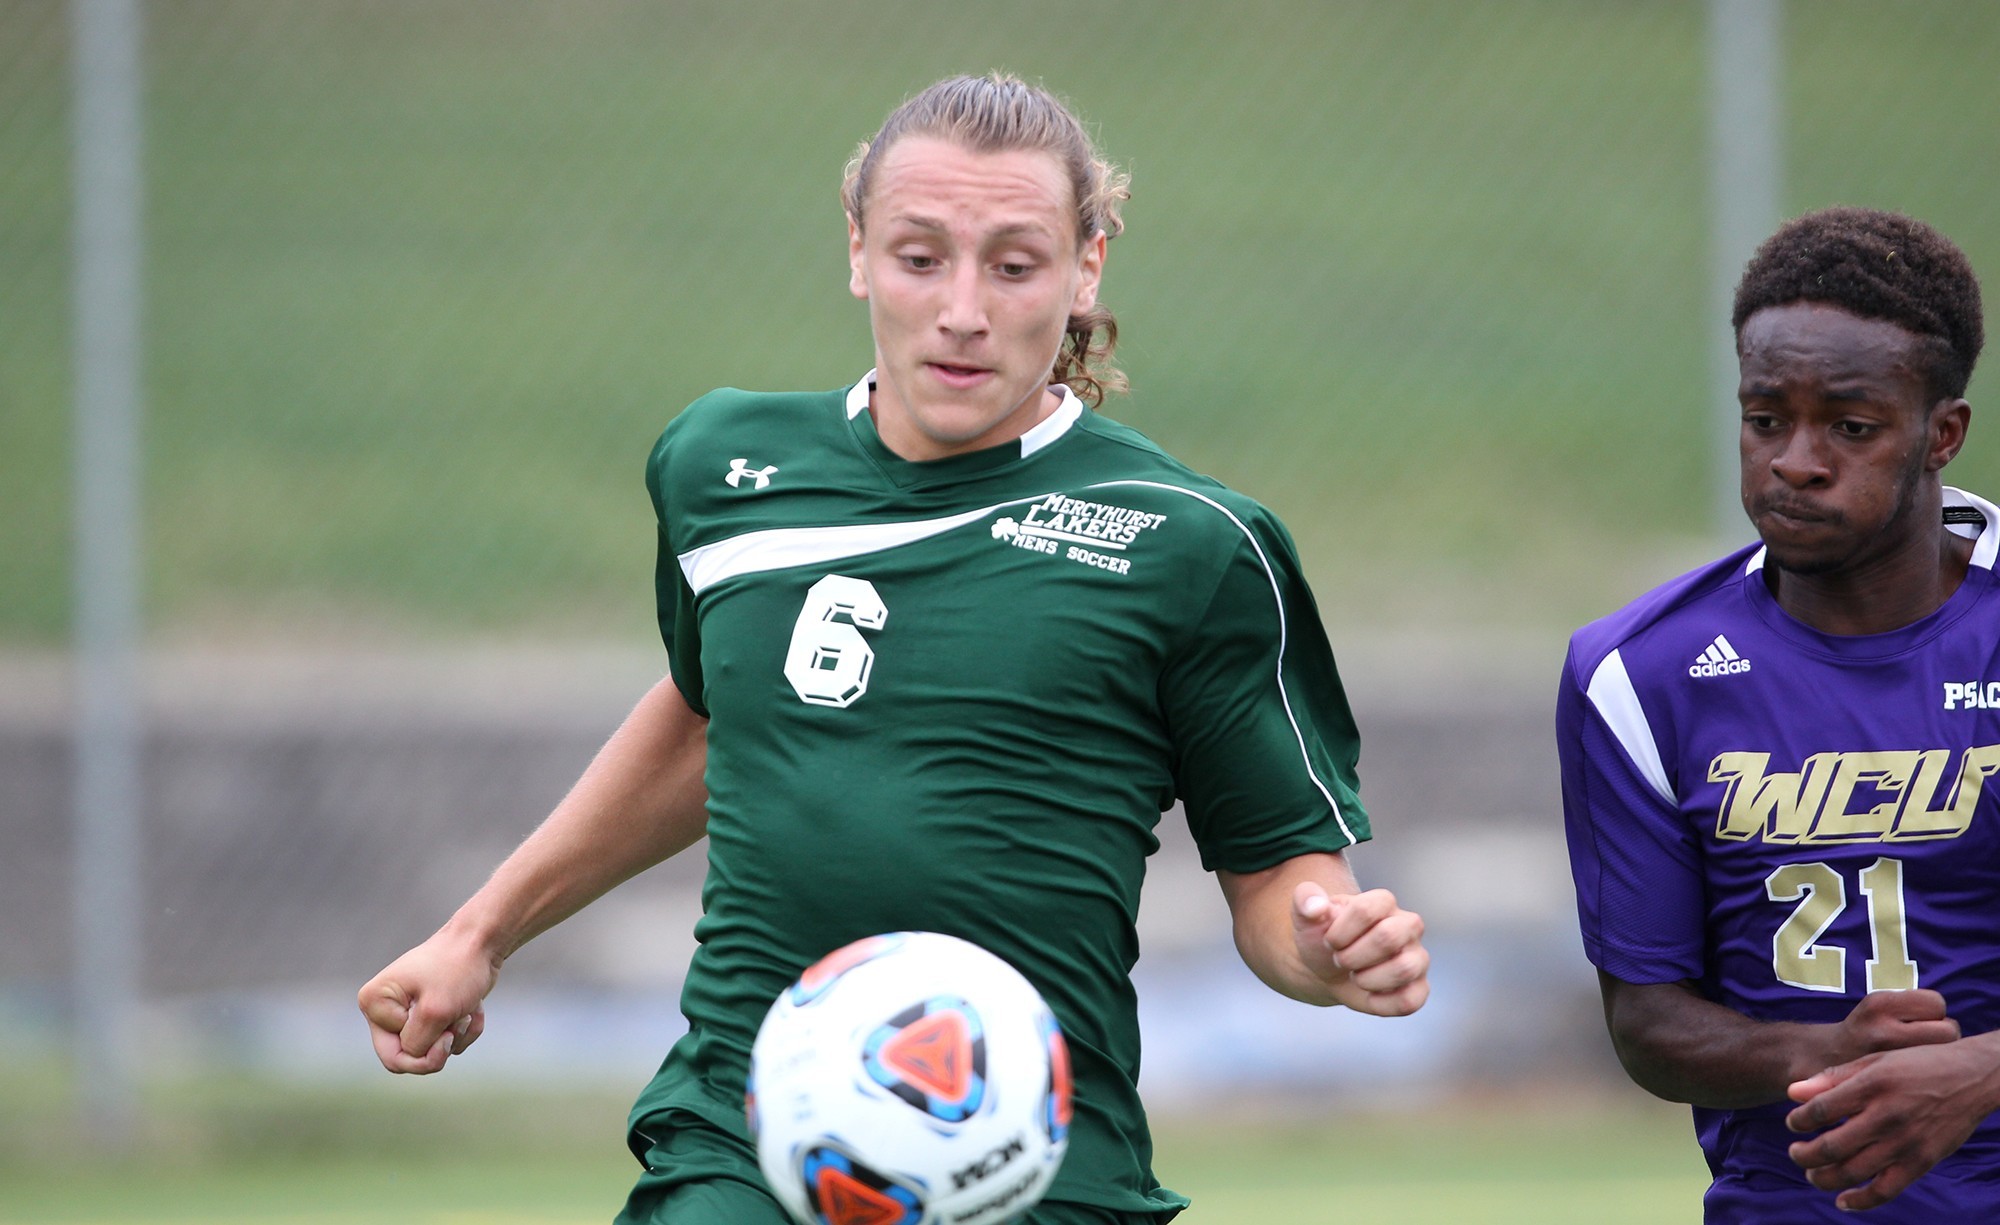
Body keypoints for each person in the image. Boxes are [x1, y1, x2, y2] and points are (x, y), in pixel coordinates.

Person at [358, 73, 1429, 1225]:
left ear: (1085, 269)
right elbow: (710, 714)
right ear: (857, 250)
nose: (962, 309)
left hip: (1036, 1159)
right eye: (921, 258)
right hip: (746, 1128)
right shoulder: (721, 466)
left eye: (1013, 265)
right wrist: (480, 931)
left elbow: (1279, 877)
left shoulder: (1190, 545)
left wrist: (1327, 954)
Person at [1557, 206, 2000, 1219]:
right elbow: (1647, 1022)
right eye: (1765, 420)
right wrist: (1821, 1052)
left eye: (1848, 427)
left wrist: (1976, 1071)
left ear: (1940, 434)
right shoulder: (1635, 672)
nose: (1793, 461)